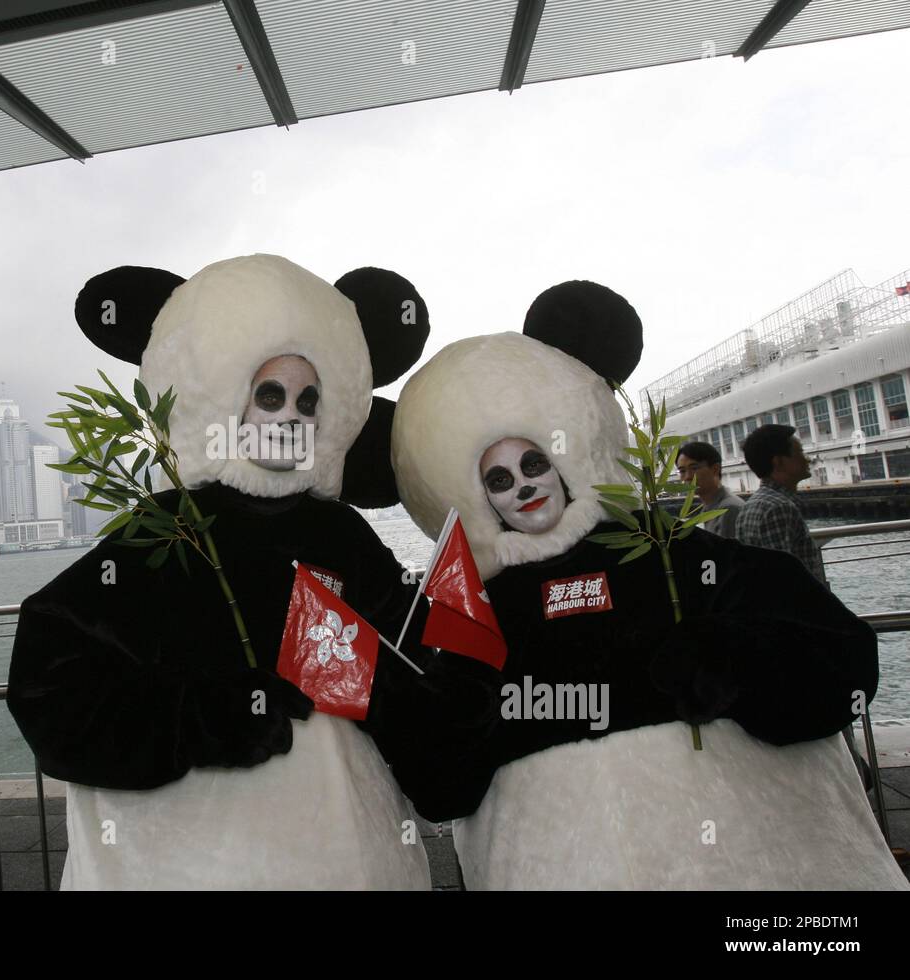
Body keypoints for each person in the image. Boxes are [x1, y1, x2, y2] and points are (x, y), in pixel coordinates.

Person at [387, 281, 907, 889]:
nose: (524, 487)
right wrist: (461, 707)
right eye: (499, 480)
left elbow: (844, 664)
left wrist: (734, 656)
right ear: (477, 499)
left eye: (533, 464)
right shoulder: (471, 614)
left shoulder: (678, 556)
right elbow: (438, 786)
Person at [7, 255, 490, 889]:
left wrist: (411, 697)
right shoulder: (168, 529)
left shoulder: (337, 533)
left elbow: (415, 642)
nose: (292, 415)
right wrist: (195, 720)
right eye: (271, 395)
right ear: (222, 399)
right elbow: (50, 687)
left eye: (308, 399)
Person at [737, 424, 826, 583]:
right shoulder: (779, 508)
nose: (807, 458)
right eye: (799, 452)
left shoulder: (750, 506)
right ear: (778, 462)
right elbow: (784, 580)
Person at [675, 440, 744, 538]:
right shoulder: (710, 507)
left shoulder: (728, 509)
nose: (687, 477)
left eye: (694, 468)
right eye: (682, 471)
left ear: (715, 469)